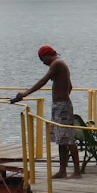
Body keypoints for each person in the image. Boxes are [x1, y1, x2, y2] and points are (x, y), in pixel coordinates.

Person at [10, 45, 81, 177]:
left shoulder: (57, 64)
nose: (43, 62)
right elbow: (70, 86)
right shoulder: (59, 65)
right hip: (60, 105)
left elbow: (43, 81)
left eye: (42, 59)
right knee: (61, 139)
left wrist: (25, 94)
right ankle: (62, 170)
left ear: (48, 55)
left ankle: (77, 171)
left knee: (68, 138)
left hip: (62, 106)